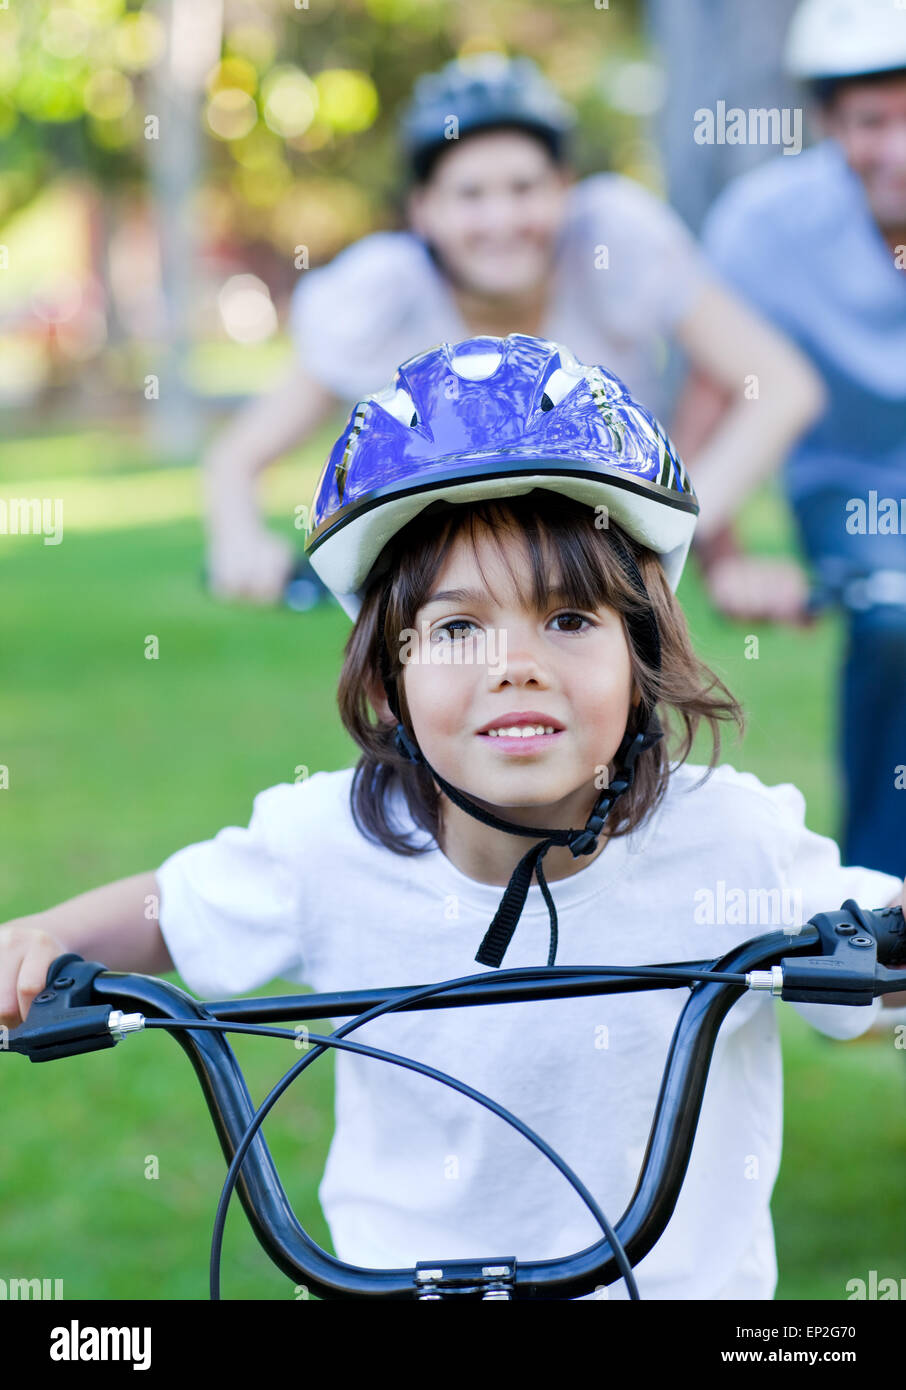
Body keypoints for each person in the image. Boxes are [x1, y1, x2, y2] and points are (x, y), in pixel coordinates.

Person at [3, 335, 904, 1299]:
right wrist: (46, 937)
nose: (512, 663)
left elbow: (867, 962)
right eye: (459, 626)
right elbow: (166, 913)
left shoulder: (735, 844)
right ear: (388, 678)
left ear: (641, 654)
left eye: (569, 620)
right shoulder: (323, 844)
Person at [203, 52, 825, 613]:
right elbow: (238, 457)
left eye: (525, 188)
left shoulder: (616, 240)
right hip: (448, 601)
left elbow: (781, 386)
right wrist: (240, 543)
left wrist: (669, 531)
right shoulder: (382, 291)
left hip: (595, 586)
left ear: (565, 190)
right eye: (470, 194)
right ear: (423, 210)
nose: (502, 218)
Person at [673, 0, 906, 879]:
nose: (898, 150)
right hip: (856, 493)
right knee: (896, 620)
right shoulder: (767, 225)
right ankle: (887, 914)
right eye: (872, 121)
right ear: (829, 124)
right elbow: (711, 402)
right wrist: (723, 555)